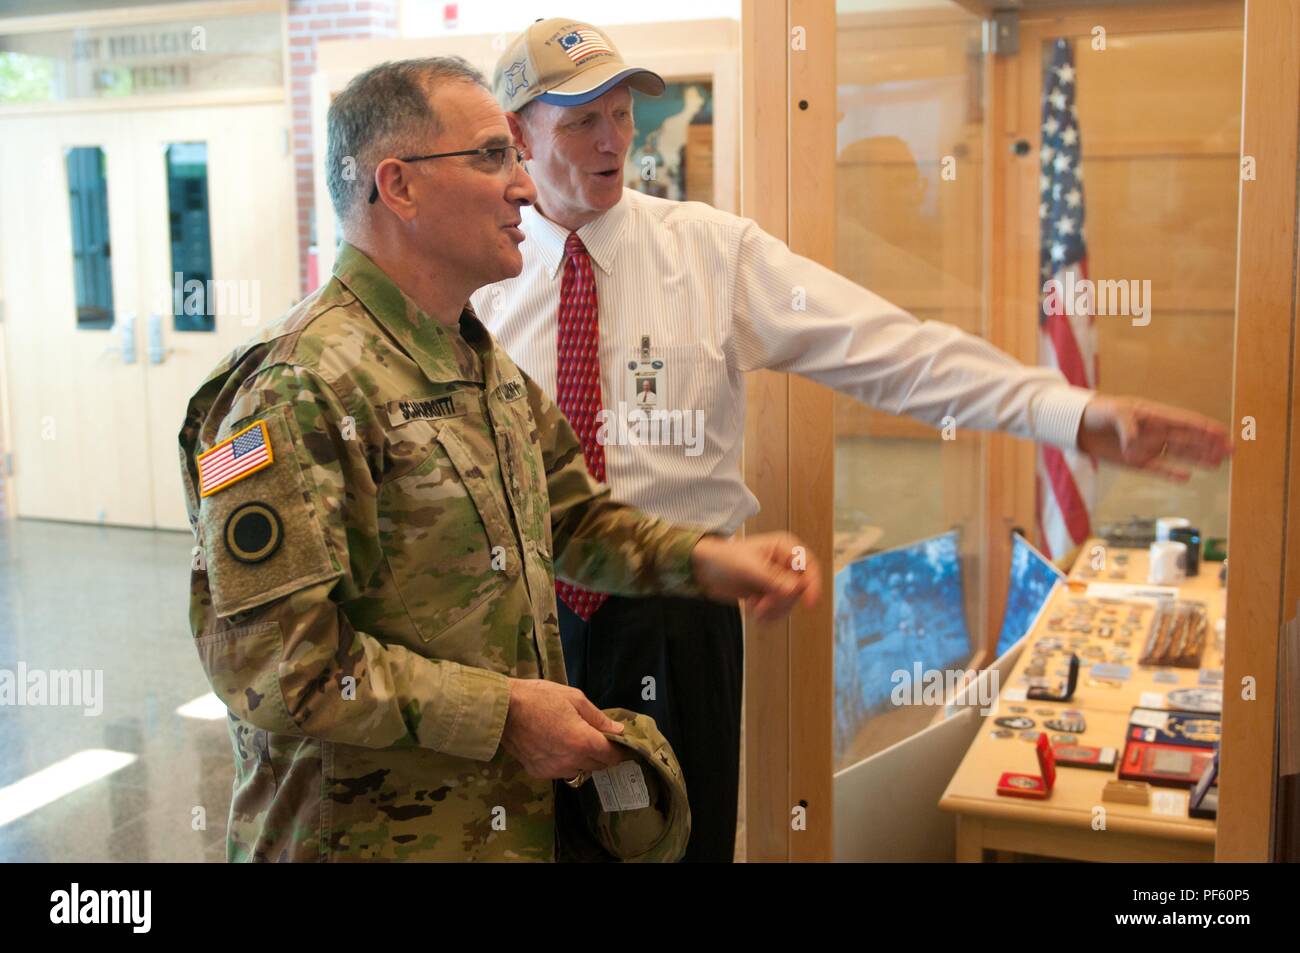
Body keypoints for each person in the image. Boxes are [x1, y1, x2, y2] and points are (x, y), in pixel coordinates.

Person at [472, 17, 1233, 862]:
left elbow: (893, 350)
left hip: (678, 619)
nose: (614, 140)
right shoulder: (476, 278)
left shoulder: (711, 253)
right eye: (582, 120)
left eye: (622, 113)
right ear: (516, 133)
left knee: (684, 846)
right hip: (520, 618)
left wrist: (1065, 411)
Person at [177, 56, 819, 863]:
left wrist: (714, 560)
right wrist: (505, 713)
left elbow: (576, 521)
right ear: (399, 187)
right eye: (491, 156)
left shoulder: (477, 361)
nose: (524, 185)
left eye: (517, 154)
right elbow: (272, 660)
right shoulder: (296, 387)